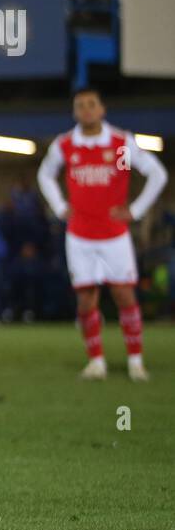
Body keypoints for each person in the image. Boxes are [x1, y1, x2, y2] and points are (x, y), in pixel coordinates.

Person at [36, 88, 167, 380]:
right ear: (74, 112)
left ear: (102, 110)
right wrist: (59, 206)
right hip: (79, 235)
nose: (85, 110)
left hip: (114, 234)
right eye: (79, 106)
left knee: (124, 294)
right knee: (86, 299)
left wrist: (136, 210)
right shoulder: (66, 144)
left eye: (91, 105)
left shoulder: (120, 144)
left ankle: (135, 360)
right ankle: (96, 361)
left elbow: (157, 174)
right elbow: (44, 174)